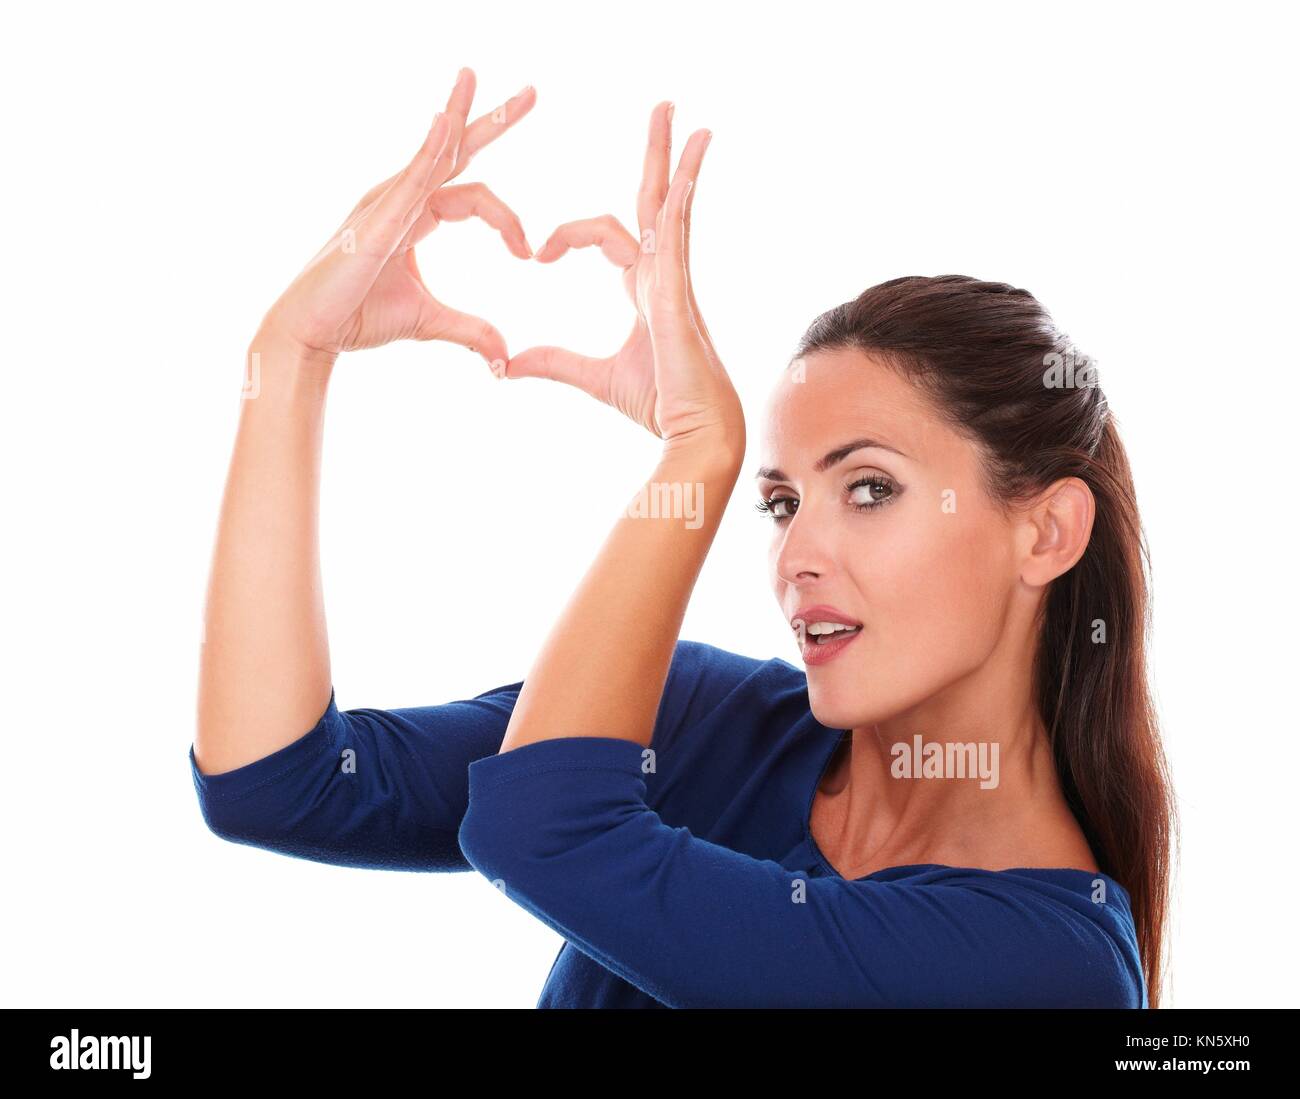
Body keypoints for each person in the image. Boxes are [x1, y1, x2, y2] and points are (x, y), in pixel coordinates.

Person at [191, 66, 1174, 1008]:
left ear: (1045, 532)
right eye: (782, 502)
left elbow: (545, 832)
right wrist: (289, 356)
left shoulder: (1048, 966)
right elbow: (276, 782)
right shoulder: (701, 722)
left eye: (870, 488)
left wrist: (697, 451)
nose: (796, 557)